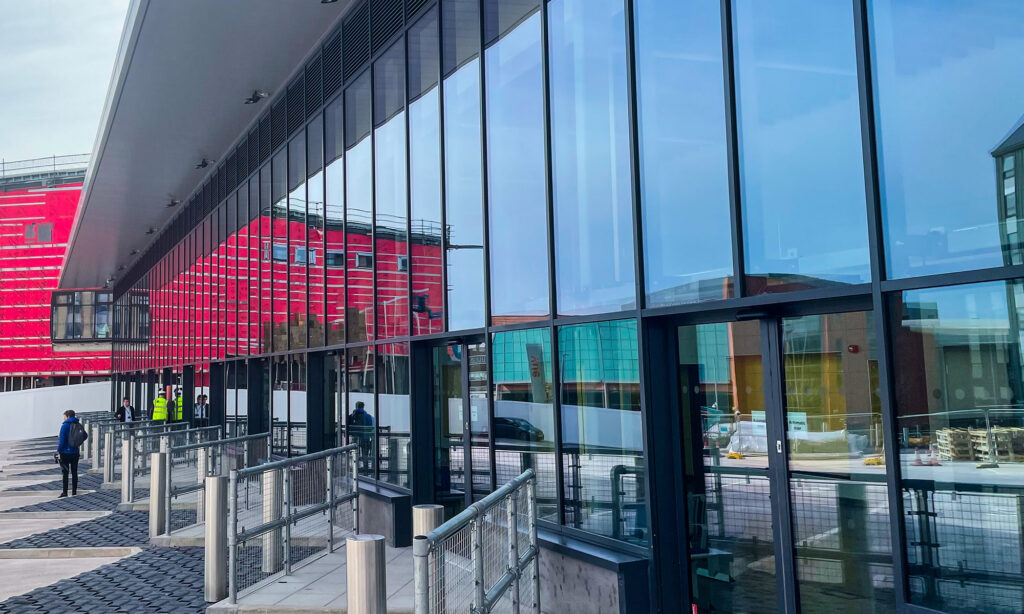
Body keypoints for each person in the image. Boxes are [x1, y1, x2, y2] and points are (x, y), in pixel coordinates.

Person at [57, 410, 87, 497]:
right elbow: (85, 435)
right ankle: (74, 491)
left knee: (65, 473)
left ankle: (65, 492)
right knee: (74, 472)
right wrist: (77, 443)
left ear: (68, 416)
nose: (63, 418)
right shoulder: (78, 424)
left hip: (65, 452)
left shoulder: (65, 426)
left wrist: (59, 451)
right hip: (75, 452)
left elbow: (62, 441)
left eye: (64, 416)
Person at [346, 401, 374, 469]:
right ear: (363, 407)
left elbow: (348, 426)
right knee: (365, 453)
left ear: (356, 406)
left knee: (354, 453)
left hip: (355, 437)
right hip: (365, 437)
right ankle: (365, 468)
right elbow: (371, 426)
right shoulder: (368, 416)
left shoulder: (351, 416)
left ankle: (355, 468)